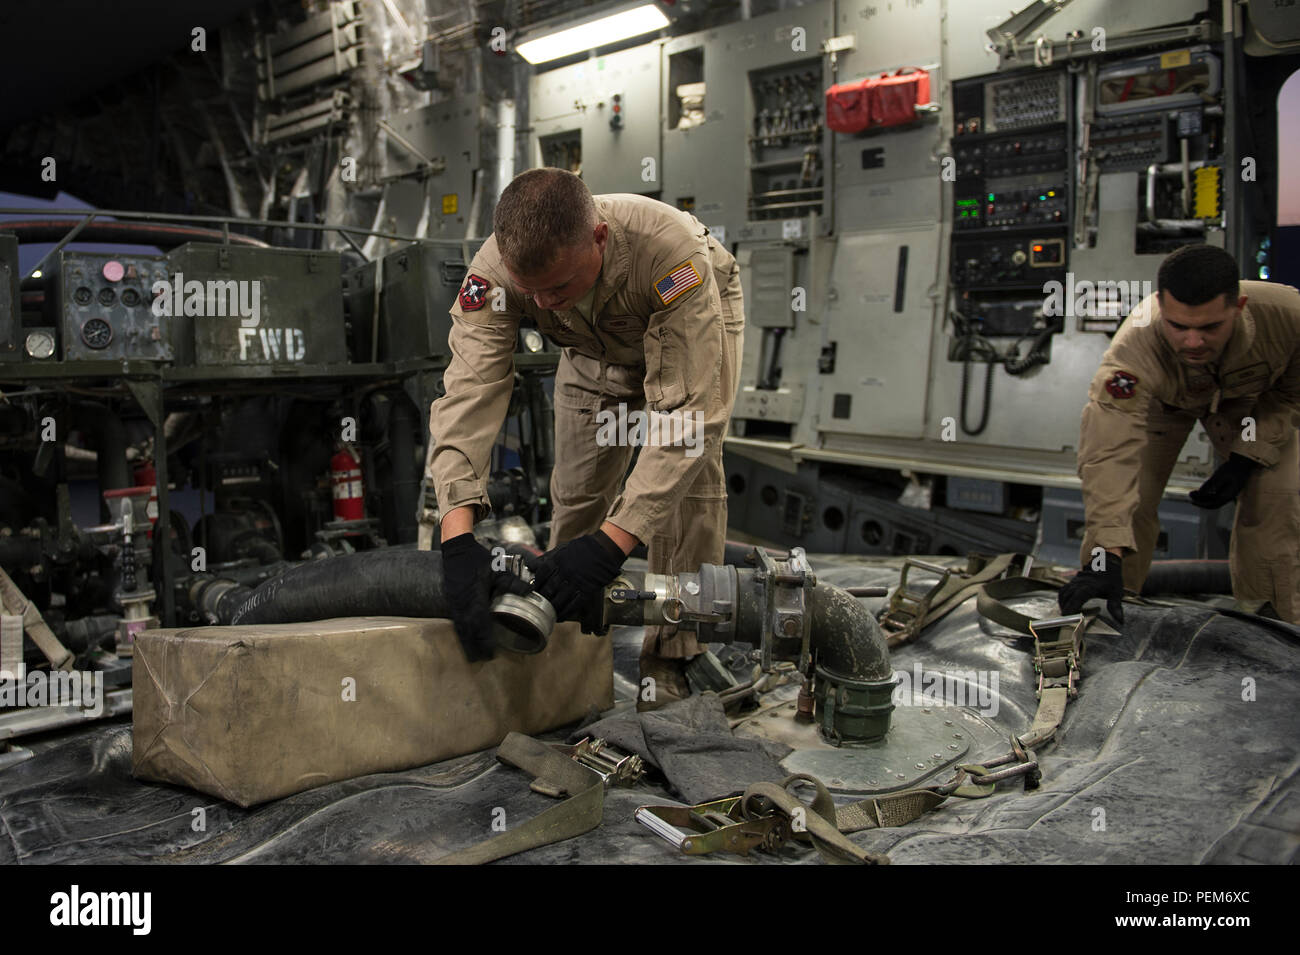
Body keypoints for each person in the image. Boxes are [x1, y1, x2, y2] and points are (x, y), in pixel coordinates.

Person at [427, 168, 744, 707]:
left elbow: (685, 421)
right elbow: (468, 396)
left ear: (598, 238)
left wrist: (612, 546)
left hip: (687, 325)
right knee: (576, 493)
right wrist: (456, 536)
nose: (545, 305)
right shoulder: (495, 276)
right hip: (591, 354)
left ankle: (672, 657)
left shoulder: (670, 255)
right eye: (533, 293)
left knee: (689, 490)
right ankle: (563, 640)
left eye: (558, 287)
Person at [1060, 244, 1300, 624]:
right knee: (1133, 498)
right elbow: (1110, 450)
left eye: (1209, 327)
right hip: (1163, 405)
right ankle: (1114, 607)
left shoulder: (1289, 317)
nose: (1192, 342)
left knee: (1277, 495)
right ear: (1161, 305)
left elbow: (1291, 394)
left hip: (1253, 404)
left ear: (1238, 308)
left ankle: (1274, 624)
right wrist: (1105, 555)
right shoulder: (1135, 344)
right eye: (1178, 326)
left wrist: (1248, 454)